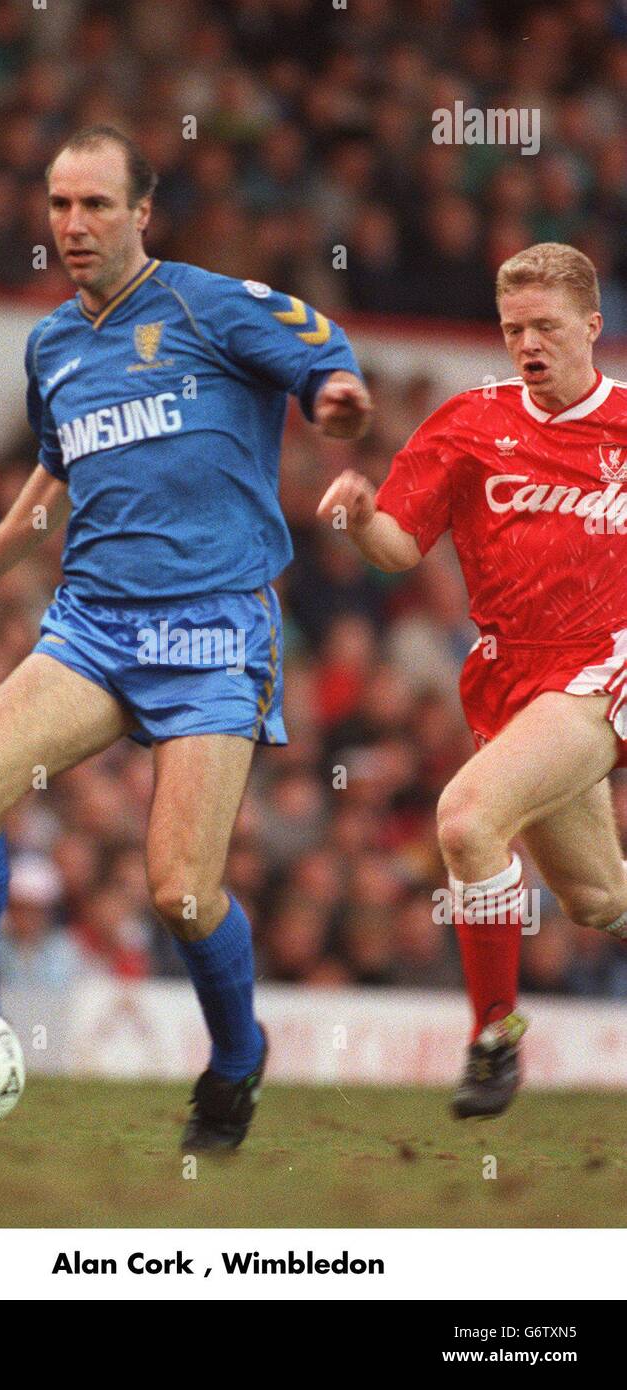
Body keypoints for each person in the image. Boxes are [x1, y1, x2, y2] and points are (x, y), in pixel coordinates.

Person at [0, 124, 371, 1151]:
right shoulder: (52, 345)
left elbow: (322, 359)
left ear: (142, 211)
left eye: (96, 203)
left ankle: (236, 1059)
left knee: (179, 893)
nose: (74, 223)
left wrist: (334, 399)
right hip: (94, 626)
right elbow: (52, 477)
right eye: (59, 204)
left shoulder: (209, 304)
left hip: (216, 631)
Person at [317, 242, 627, 1118]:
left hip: (604, 668)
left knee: (465, 819)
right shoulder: (465, 425)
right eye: (511, 329)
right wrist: (361, 518)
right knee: (596, 899)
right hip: (510, 684)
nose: (527, 344)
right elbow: (397, 547)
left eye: (545, 327)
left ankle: (492, 1040)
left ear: (592, 327)